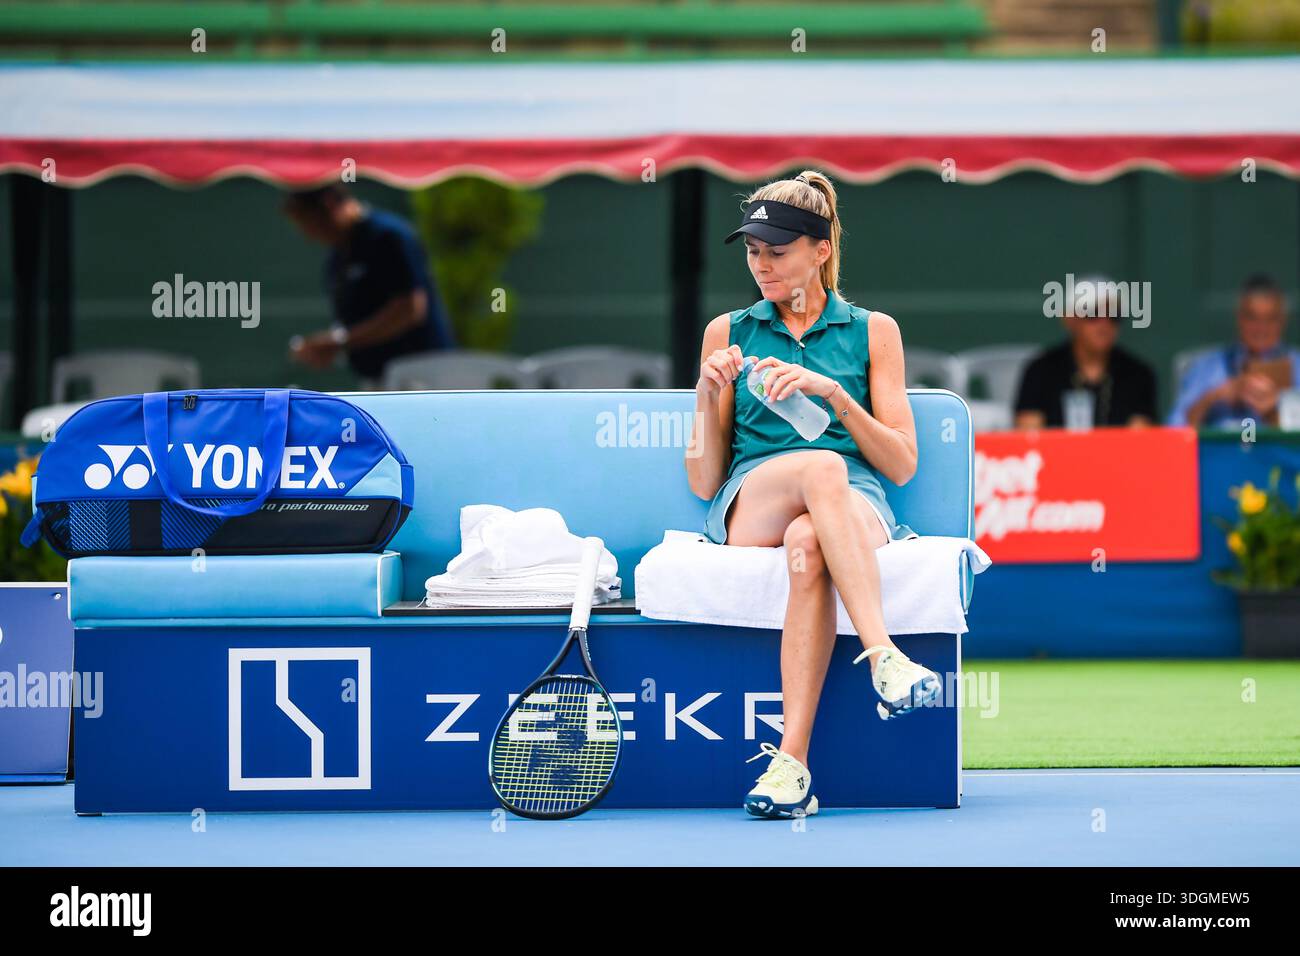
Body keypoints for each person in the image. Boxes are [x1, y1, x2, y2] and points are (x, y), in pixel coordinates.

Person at [685, 170, 940, 820]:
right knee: (820, 470)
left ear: (821, 250)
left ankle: (791, 763)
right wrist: (705, 394)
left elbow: (901, 465)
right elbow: (704, 480)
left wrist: (834, 395)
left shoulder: (873, 330)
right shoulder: (729, 330)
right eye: (752, 250)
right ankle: (882, 654)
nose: (760, 264)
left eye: (777, 250)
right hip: (754, 498)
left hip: (854, 499)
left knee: (809, 542)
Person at [283, 185, 455, 387]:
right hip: (376, 378)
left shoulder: (389, 237)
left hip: (419, 378)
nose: (309, 236)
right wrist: (333, 344)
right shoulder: (338, 255)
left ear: (328, 205)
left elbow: (410, 309)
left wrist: (340, 342)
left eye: (309, 223)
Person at [1014, 276, 1158, 429]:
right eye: (1093, 313)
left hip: (1117, 453)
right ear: (1068, 318)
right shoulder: (1040, 371)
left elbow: (1141, 440)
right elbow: (1028, 436)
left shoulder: (1138, 374)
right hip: (1056, 453)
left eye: (1114, 315)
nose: (1104, 324)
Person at [1168, 274, 1300, 429]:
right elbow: (1174, 429)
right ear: (1239, 318)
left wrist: (1274, 413)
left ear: (1283, 321)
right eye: (1252, 317)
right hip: (1220, 452)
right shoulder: (1208, 366)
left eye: (1270, 319)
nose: (1261, 328)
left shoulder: (1296, 366)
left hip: (1276, 452)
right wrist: (1214, 397)